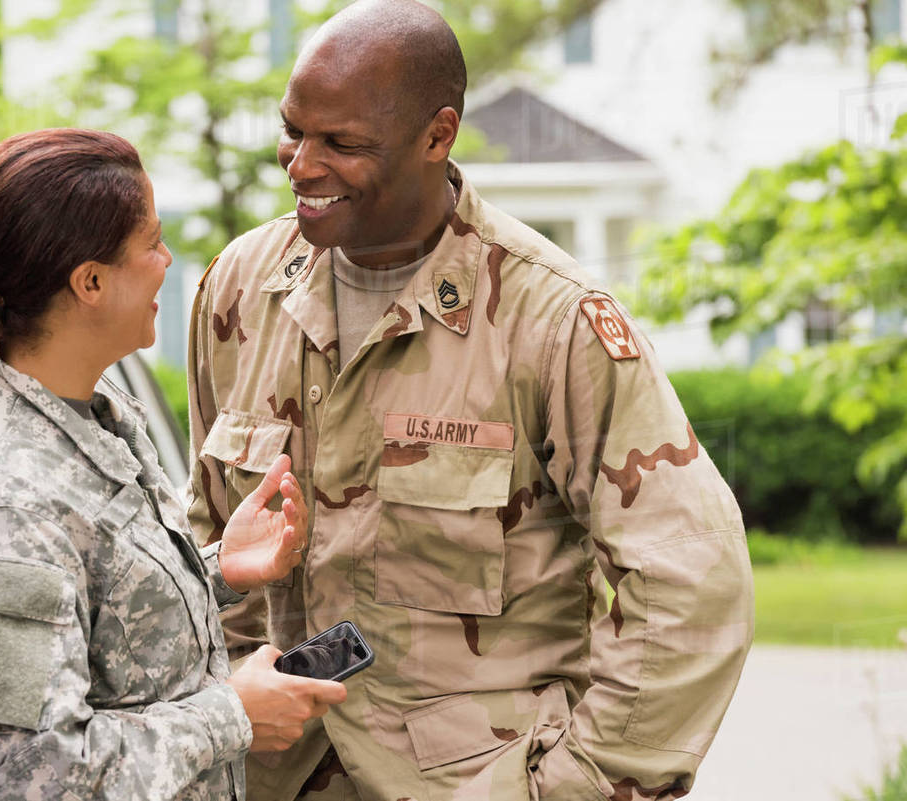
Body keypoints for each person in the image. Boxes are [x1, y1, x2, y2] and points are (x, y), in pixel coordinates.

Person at [187, 3, 754, 800]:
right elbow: (206, 543)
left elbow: (693, 580)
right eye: (293, 132)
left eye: (342, 143)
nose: (301, 166)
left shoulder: (550, 317)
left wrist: (579, 784)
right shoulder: (239, 289)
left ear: (436, 134)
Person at [0, 128, 346, 801]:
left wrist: (216, 568)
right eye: (150, 244)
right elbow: (28, 775)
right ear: (91, 282)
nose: (166, 261)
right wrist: (232, 715)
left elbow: (88, 608)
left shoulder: (78, 405)